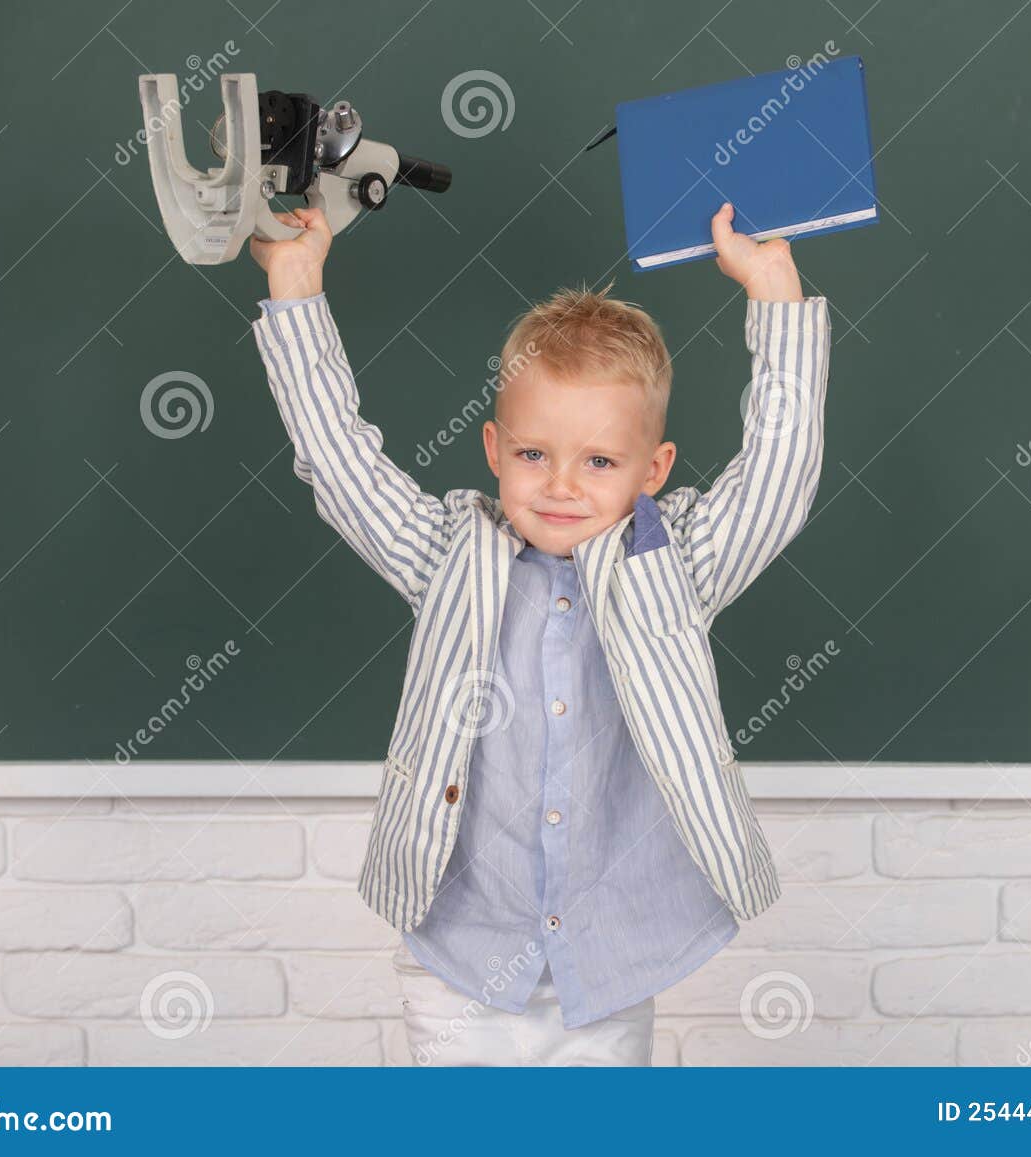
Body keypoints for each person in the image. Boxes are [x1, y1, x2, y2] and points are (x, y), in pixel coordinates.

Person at [249, 203, 831, 1064]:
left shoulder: (675, 562)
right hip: (462, 953)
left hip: (610, 958)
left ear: (654, 470)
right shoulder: (448, 553)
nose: (561, 484)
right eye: (533, 454)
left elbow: (779, 476)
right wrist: (295, 284)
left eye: (599, 460)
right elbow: (338, 461)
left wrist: (774, 290)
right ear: (492, 447)